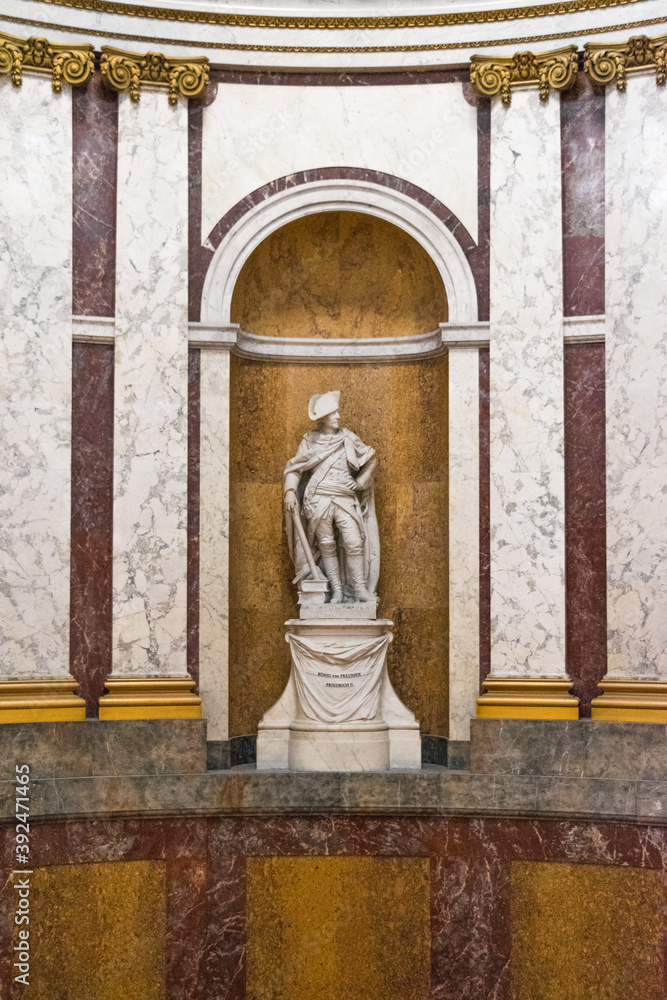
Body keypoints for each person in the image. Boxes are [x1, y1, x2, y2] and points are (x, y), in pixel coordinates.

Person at [284, 391, 379, 603]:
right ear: (324, 418)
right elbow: (294, 469)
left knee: (354, 541)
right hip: (318, 500)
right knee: (326, 545)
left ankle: (360, 590)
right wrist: (290, 490)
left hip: (344, 497)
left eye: (337, 412)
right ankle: (335, 591)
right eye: (334, 413)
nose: (338, 417)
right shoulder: (309, 442)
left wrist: (360, 482)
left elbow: (372, 460)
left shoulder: (348, 438)